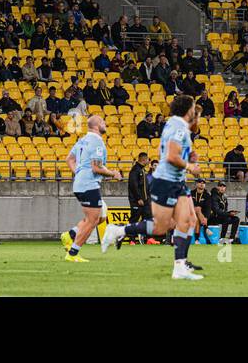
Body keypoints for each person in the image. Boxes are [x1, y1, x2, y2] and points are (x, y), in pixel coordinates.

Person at [102, 94, 205, 280]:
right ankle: (118, 230)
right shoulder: (178, 126)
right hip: (166, 182)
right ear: (187, 109)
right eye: (193, 106)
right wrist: (191, 167)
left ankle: (180, 266)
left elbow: (174, 147)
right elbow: (171, 156)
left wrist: (189, 156)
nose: (195, 108)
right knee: (160, 228)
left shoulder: (176, 124)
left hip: (176, 181)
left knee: (189, 219)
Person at [59, 115, 121, 263]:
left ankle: (71, 235)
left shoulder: (82, 140)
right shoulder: (97, 142)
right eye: (103, 122)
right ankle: (73, 253)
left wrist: (79, 172)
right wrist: (113, 173)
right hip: (88, 184)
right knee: (92, 221)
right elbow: (96, 167)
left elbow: (69, 159)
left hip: (81, 183)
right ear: (96, 126)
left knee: (98, 217)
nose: (105, 124)